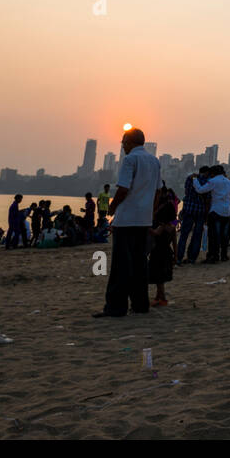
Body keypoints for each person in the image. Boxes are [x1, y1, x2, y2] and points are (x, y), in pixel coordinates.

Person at [95, 127, 161, 318]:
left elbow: (123, 189)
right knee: (140, 263)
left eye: (123, 142)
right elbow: (157, 192)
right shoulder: (154, 161)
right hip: (143, 220)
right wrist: (150, 212)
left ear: (130, 142)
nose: (122, 146)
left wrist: (112, 208)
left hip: (126, 220)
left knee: (121, 265)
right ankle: (140, 305)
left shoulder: (130, 159)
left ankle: (116, 307)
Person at [194, 165, 230, 263]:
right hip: (227, 211)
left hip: (216, 211)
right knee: (224, 236)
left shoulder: (213, 181)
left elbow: (200, 189)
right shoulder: (229, 182)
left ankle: (213, 256)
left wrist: (195, 180)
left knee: (213, 236)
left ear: (213, 173)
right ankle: (224, 255)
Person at [149, 190, 177, 306]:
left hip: (158, 251)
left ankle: (162, 298)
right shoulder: (173, 225)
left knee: (158, 277)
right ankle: (159, 296)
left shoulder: (162, 225)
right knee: (160, 277)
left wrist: (146, 228)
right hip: (167, 251)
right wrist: (176, 254)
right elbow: (175, 241)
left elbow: (155, 233)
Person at [177, 168, 211, 264]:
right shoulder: (208, 182)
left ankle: (179, 258)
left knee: (183, 235)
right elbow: (208, 199)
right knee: (197, 236)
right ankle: (192, 258)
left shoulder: (189, 178)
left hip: (188, 210)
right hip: (200, 212)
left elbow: (186, 192)